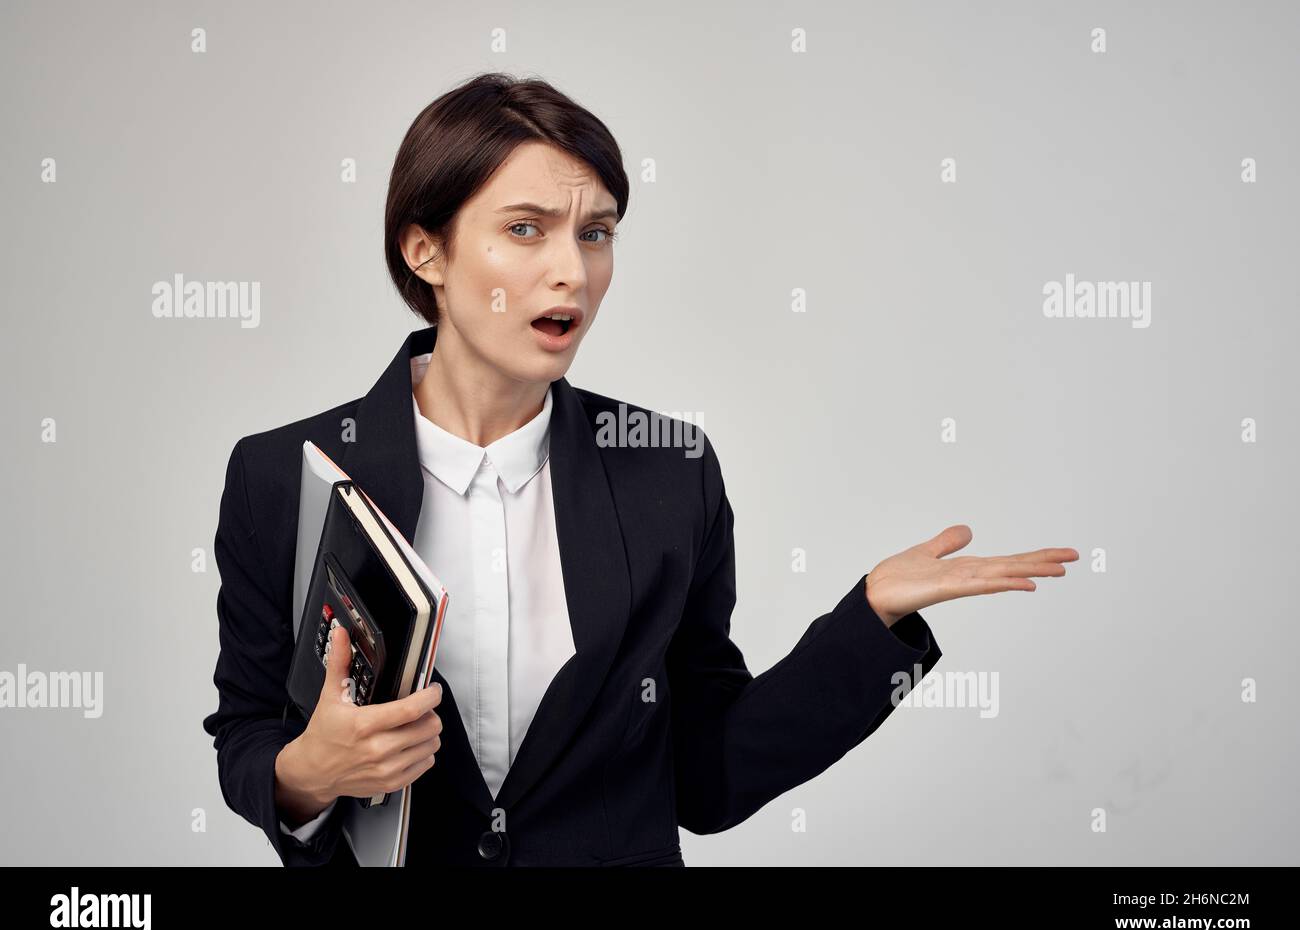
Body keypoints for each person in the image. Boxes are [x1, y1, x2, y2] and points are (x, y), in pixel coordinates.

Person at [202, 72, 1077, 867]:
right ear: (425, 251)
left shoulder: (671, 473)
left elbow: (707, 778)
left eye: (596, 234)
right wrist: (307, 774)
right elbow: (247, 731)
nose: (571, 270)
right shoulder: (282, 476)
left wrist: (870, 624)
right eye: (524, 229)